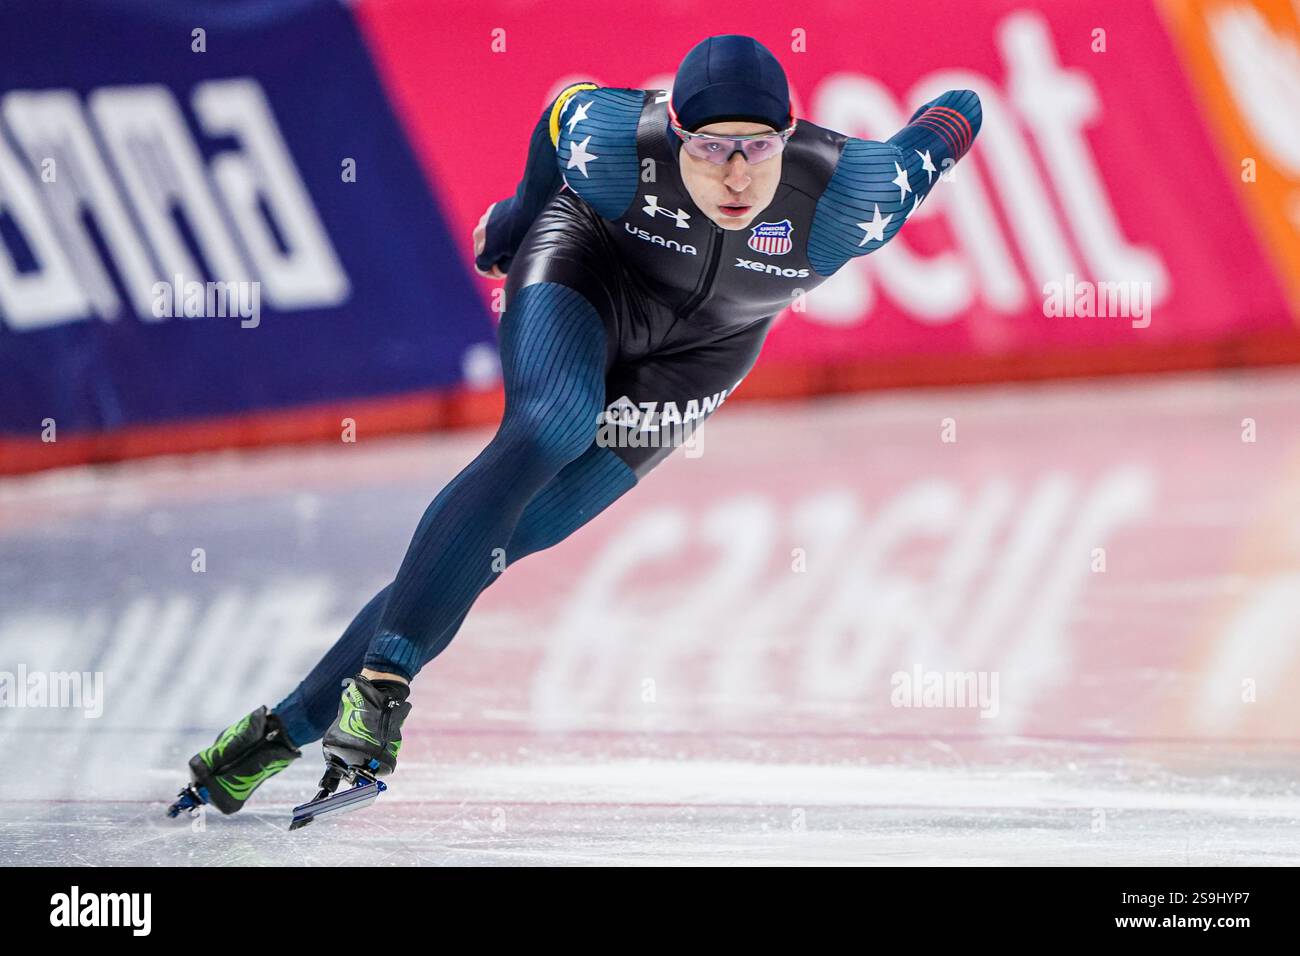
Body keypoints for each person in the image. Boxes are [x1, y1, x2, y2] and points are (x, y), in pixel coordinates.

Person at [169, 34, 982, 818]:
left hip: (702, 356)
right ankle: (382, 688)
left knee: (507, 540)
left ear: (790, 134)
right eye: (708, 147)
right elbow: (563, 109)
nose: (734, 174)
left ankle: (273, 737)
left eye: (758, 148)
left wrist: (944, 129)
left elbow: (958, 111)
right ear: (673, 129)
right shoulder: (620, 145)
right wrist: (520, 221)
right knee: (554, 424)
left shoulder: (857, 191)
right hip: (586, 273)